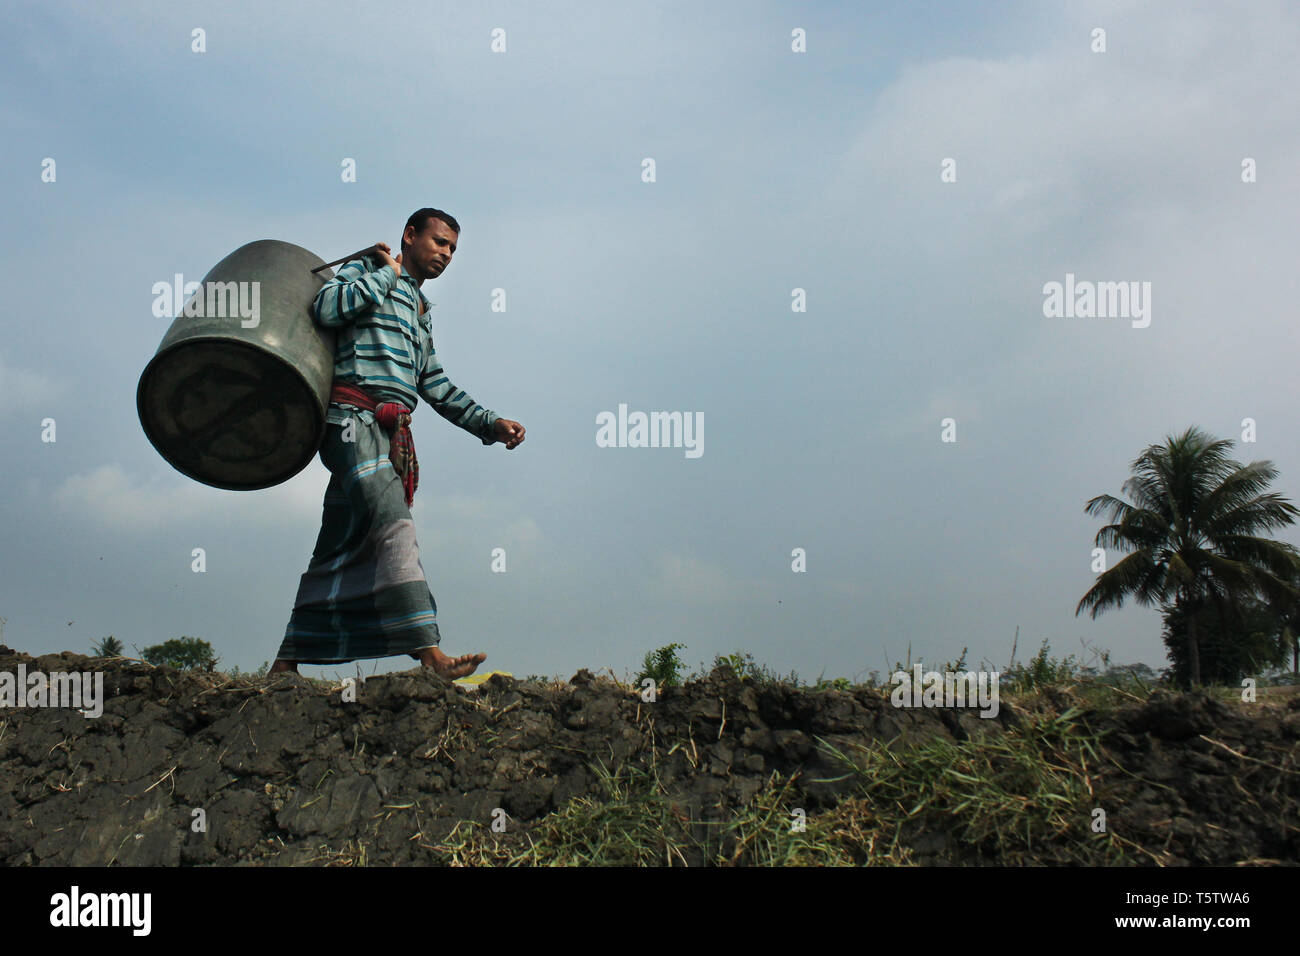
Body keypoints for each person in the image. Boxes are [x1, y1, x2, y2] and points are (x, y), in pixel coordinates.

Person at [270, 208, 525, 678]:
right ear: (410, 235)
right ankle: (428, 651)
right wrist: (385, 274)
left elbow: (436, 385)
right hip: (349, 421)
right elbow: (326, 309)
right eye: (439, 242)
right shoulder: (367, 270)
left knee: (335, 544)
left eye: (452, 248)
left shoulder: (420, 313)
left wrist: (490, 424)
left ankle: (286, 663)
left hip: (389, 435)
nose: (445, 254)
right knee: (394, 523)